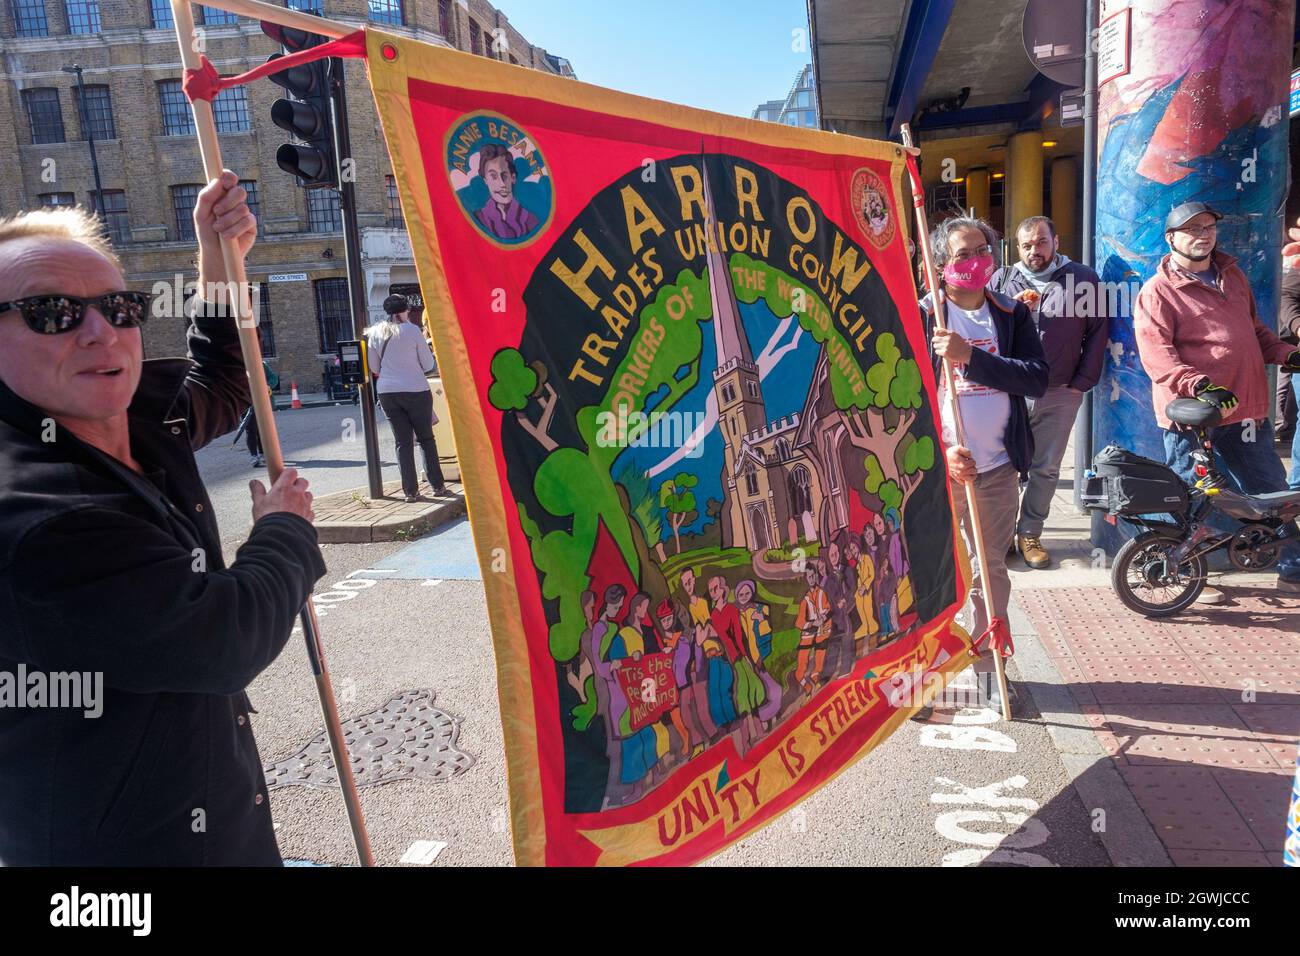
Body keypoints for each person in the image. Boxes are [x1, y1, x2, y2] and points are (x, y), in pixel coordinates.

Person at [0, 175, 325, 865]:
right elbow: (221, 642)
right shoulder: (37, 514)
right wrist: (284, 532)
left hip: (220, 813)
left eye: (119, 308)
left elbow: (223, 382)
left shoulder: (132, 414)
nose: (100, 333)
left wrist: (218, 254)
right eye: (52, 312)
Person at [1133, 201, 1300, 600]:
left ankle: (1292, 570)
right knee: (1189, 498)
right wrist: (1200, 386)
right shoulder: (1158, 291)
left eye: (1208, 227)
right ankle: (1184, 574)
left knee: (1271, 493)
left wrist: (1284, 353)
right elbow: (1157, 355)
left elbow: (1254, 331)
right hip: (1194, 418)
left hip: (1247, 412)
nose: (1202, 234)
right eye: (1192, 229)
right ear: (1171, 238)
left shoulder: (1233, 275)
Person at [920, 215, 1049, 713]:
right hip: (936, 472)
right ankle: (929, 672)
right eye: (960, 254)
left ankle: (988, 668)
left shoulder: (1011, 314)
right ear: (940, 264)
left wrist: (969, 357)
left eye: (981, 250)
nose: (973, 261)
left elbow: (1036, 378)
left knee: (986, 571)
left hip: (995, 470)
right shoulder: (924, 314)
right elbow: (903, 399)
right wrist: (941, 450)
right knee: (932, 574)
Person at [991, 216, 1108, 568]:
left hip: (1059, 389)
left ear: (1055, 241)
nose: (1034, 251)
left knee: (1046, 468)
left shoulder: (1082, 279)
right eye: (1026, 245)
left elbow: (1098, 332)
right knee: (1003, 464)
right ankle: (1000, 535)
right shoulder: (1002, 279)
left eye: (1041, 242)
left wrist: (1081, 383)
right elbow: (988, 331)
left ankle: (1030, 532)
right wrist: (1014, 314)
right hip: (1011, 386)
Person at [365, 293, 447, 503]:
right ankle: (437, 485)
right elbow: (428, 365)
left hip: (387, 392)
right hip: (415, 389)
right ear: (406, 310)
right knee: (426, 439)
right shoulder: (413, 331)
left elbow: (374, 367)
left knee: (402, 442)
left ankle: (410, 491)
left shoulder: (375, 333)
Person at [474, 143, 540, 241]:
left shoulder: (531, 221)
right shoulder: (478, 219)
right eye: (493, 176)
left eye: (504, 175)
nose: (502, 184)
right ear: (486, 181)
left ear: (513, 178)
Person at [244, 359, 279, 467]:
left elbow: (274, 378)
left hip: (262, 401)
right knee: (250, 429)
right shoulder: (236, 366)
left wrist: (268, 385)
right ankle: (254, 455)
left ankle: (263, 453)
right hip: (245, 402)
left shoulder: (261, 364)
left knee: (262, 429)